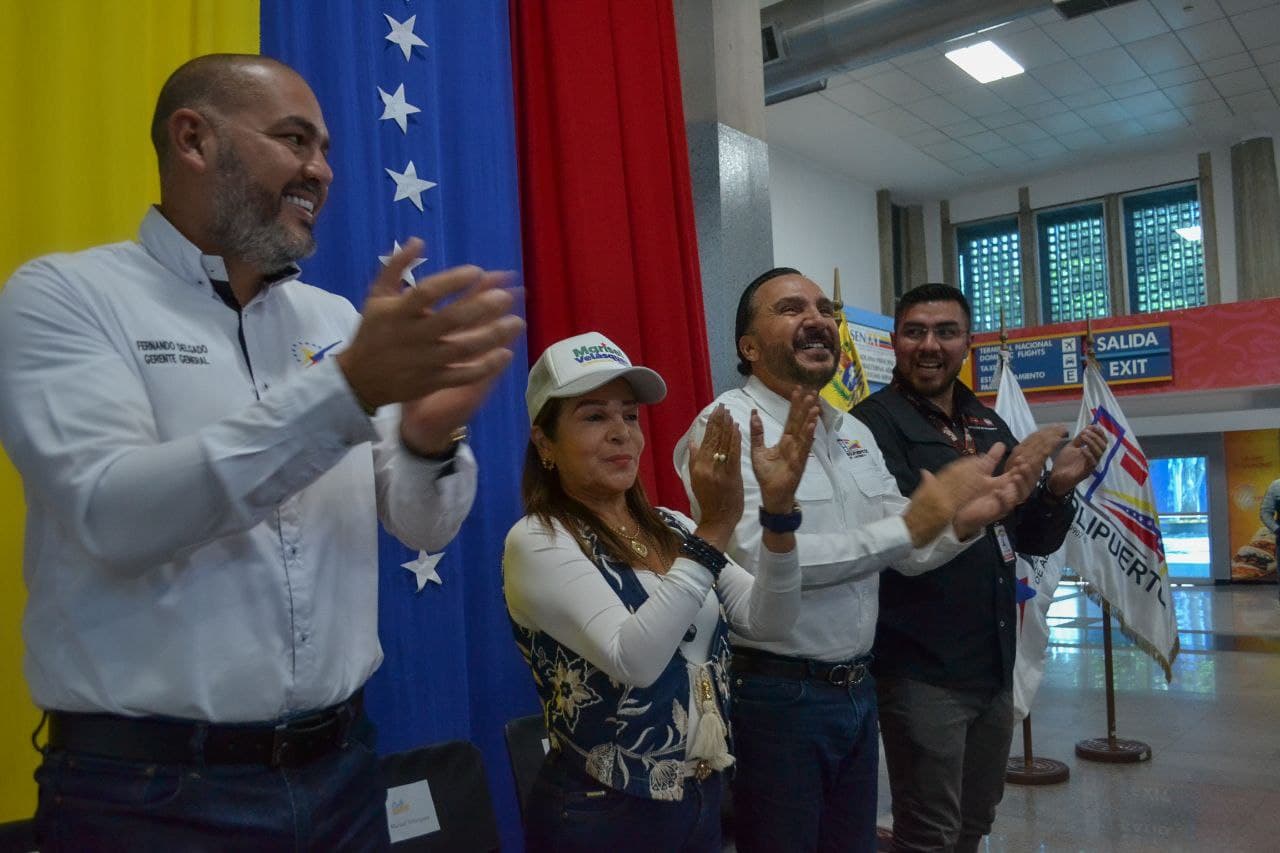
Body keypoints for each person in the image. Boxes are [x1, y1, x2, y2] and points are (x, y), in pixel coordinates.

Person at [0, 54, 523, 850]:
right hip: (150, 799)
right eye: (294, 140)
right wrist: (345, 394)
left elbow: (425, 526)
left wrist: (427, 435)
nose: (322, 171)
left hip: (343, 773)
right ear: (193, 139)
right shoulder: (66, 297)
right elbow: (112, 513)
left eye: (325, 150)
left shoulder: (335, 321)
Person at [674, 268, 1040, 853]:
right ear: (748, 346)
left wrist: (968, 520)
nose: (818, 319)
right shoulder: (724, 429)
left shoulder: (852, 433)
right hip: (775, 698)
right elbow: (757, 567)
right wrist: (909, 524)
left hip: (857, 690)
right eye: (792, 309)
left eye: (824, 308)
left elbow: (905, 555)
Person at [503, 331, 819, 853]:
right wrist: (715, 529)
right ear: (545, 443)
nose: (621, 434)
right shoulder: (539, 539)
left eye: (629, 415)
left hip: (700, 795)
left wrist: (779, 517)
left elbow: (770, 621)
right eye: (594, 416)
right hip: (603, 810)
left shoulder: (671, 526)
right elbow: (635, 659)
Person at [852, 282, 1106, 853]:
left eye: (946, 332)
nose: (929, 344)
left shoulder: (987, 423)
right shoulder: (870, 425)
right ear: (894, 341)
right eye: (915, 331)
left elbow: (1031, 539)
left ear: (968, 343)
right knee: (929, 831)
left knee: (975, 822)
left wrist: (1058, 488)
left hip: (993, 663)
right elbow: (894, 540)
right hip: (919, 666)